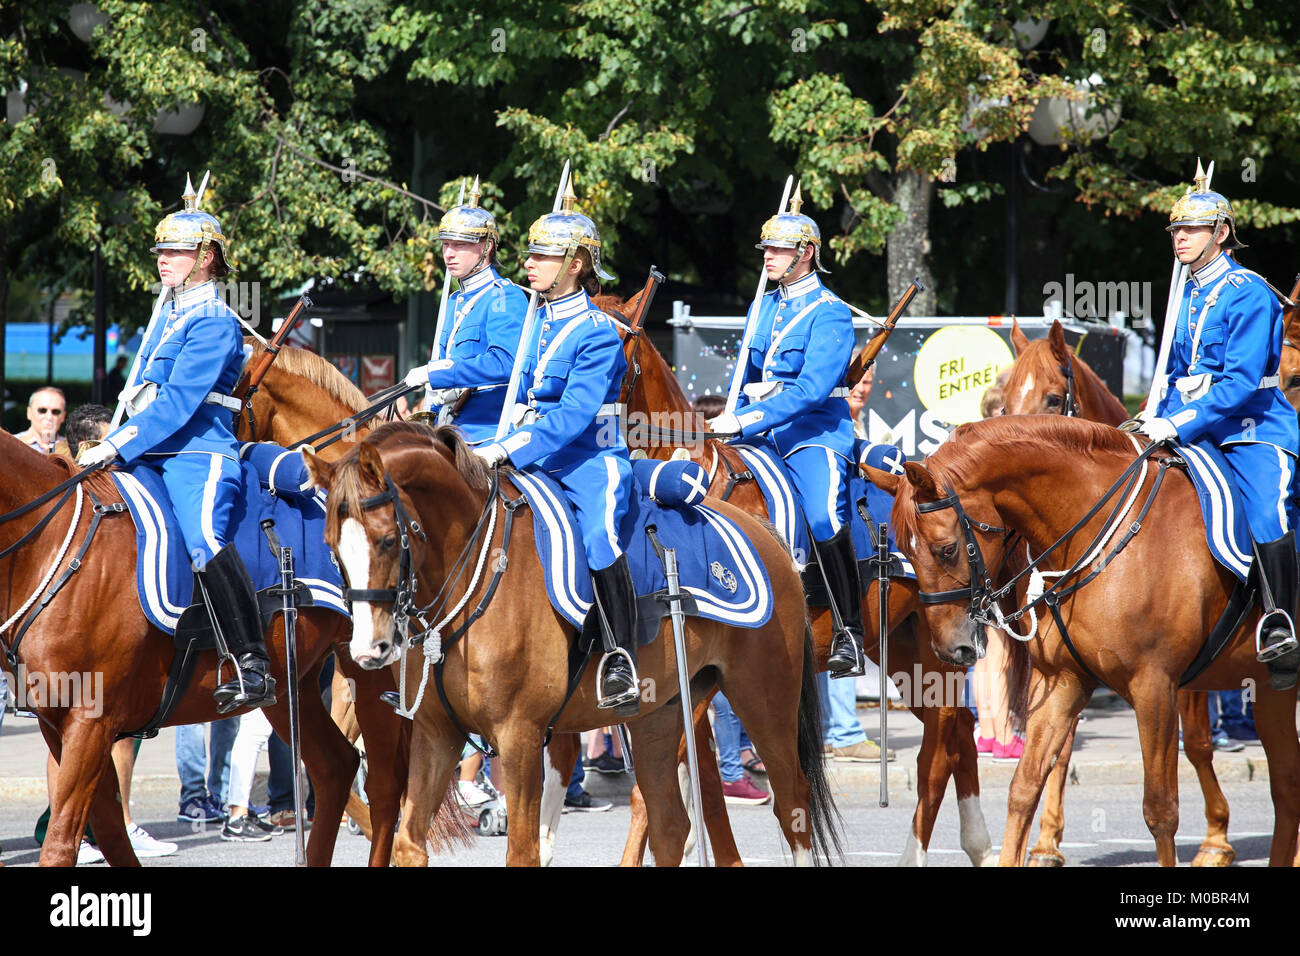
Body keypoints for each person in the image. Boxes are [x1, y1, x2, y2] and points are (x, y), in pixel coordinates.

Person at [78, 175, 275, 711]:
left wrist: (118, 443)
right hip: (149, 450)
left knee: (203, 540)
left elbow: (180, 402)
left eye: (177, 250)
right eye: (161, 250)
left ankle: (252, 662)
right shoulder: (167, 314)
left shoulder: (214, 320)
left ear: (207, 257)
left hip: (196, 452)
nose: (163, 259)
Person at [472, 179, 640, 715]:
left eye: (543, 255)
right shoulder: (533, 321)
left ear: (575, 264)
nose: (529, 263)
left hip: (590, 456)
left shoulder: (596, 331)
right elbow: (520, 398)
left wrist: (509, 450)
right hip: (533, 453)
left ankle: (619, 656)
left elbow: (572, 415)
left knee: (597, 536)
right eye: (530, 253)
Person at [1139, 171, 1300, 690]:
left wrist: (1176, 420)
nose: (1180, 237)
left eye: (1192, 228)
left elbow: (1236, 385)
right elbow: (1176, 371)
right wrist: (1151, 413)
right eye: (1175, 230)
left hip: (1253, 428)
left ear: (1222, 233)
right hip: (1197, 430)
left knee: (1267, 510)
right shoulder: (1184, 295)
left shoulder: (1248, 291)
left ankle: (1281, 624)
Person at [707, 183, 865, 679]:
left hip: (813, 433)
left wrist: (746, 419)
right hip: (760, 434)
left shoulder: (831, 312)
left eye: (777, 250)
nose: (768, 258)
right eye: (766, 250)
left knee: (821, 515)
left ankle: (848, 630)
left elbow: (812, 391)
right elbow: (750, 376)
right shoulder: (764, 307)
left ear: (806, 253)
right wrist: (732, 414)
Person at [402, 177, 528, 444]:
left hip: (487, 430)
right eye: (446, 244)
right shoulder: (454, 300)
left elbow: (504, 364)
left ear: (486, 247)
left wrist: (436, 374)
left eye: (460, 245)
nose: (449, 253)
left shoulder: (504, 296)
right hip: (449, 427)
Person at [14, 387, 69, 455]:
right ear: (29, 412)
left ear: (63, 416)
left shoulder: (71, 450)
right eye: (42, 410)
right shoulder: (10, 444)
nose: (49, 417)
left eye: (55, 412)